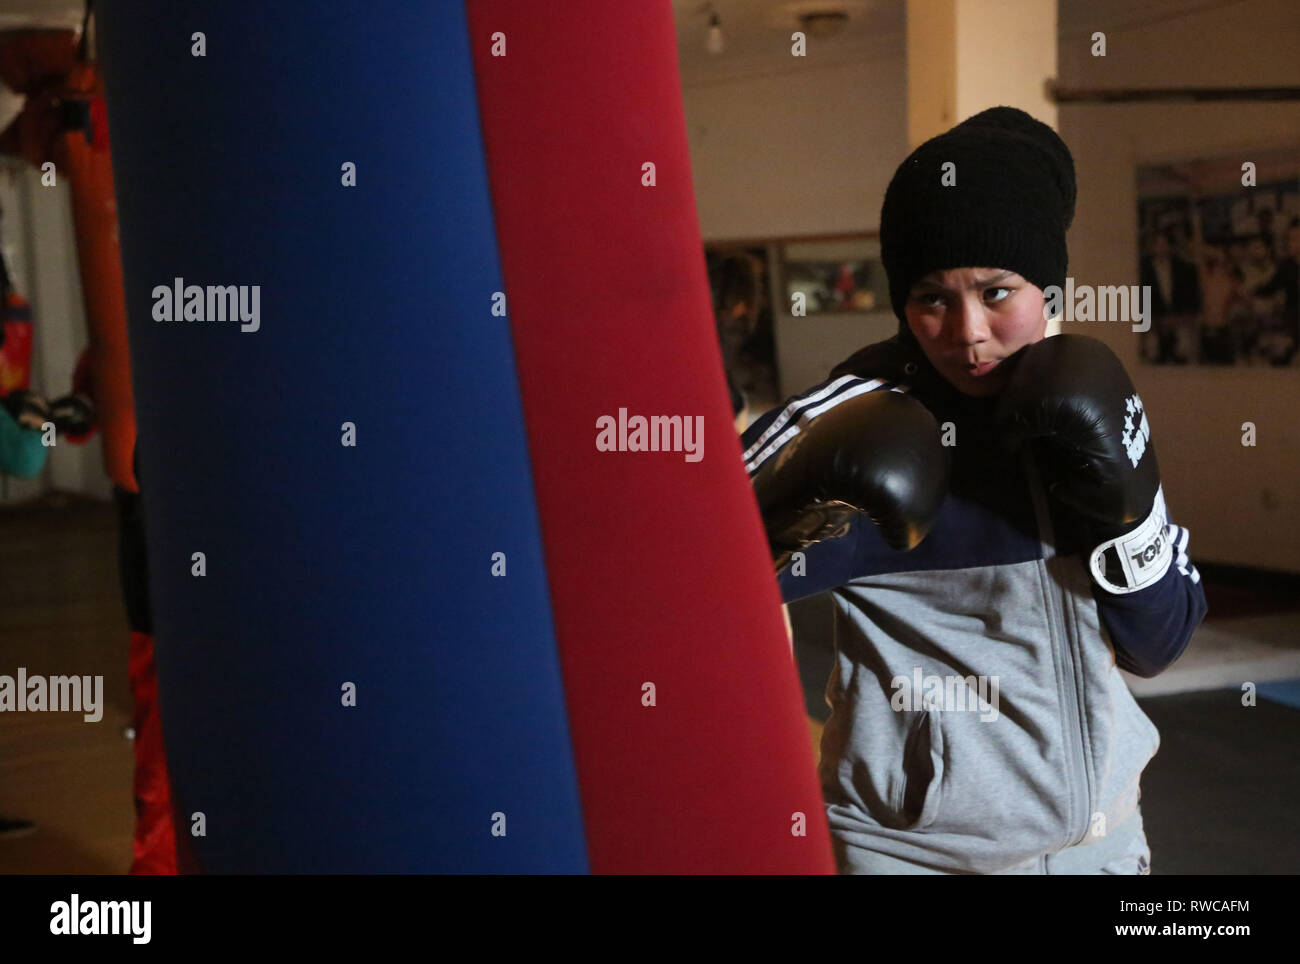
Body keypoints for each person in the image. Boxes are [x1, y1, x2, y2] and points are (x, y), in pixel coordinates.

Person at [741, 106, 1207, 874]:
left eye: (997, 292)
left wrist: (1123, 513)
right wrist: (778, 517)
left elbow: (1161, 642)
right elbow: (677, 574)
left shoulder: (1087, 400)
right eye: (932, 298)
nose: (967, 331)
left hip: (1107, 845)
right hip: (919, 854)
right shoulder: (861, 414)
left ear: (1049, 289)